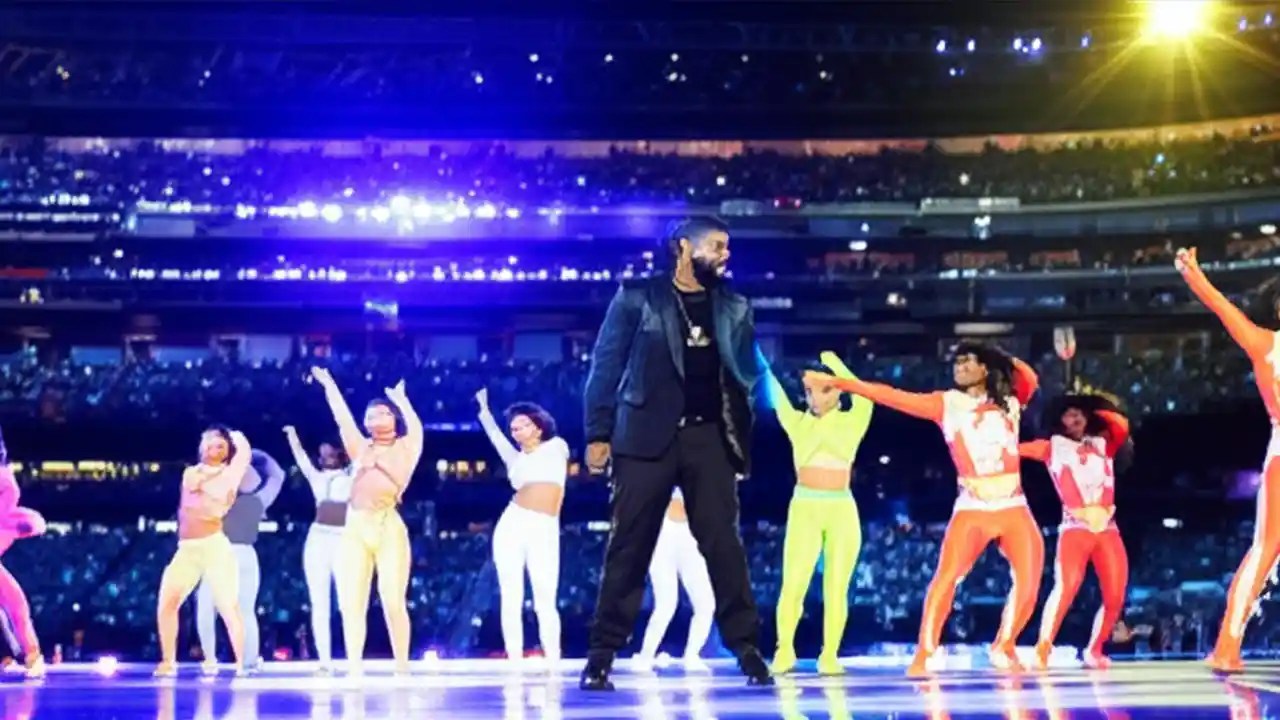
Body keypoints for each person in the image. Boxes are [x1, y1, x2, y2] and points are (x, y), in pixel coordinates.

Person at [580, 216, 772, 690]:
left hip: (708, 439)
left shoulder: (734, 306)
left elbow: (746, 378)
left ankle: (747, 650)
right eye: (718, 246)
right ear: (685, 247)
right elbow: (606, 364)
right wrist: (598, 432)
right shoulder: (637, 297)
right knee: (629, 547)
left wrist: (738, 441)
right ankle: (601, 655)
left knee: (724, 547)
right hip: (643, 436)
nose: (727, 255)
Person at [805, 342, 1041, 676]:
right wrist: (843, 384)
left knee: (1029, 583)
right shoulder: (946, 403)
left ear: (984, 369)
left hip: (1014, 507)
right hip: (973, 508)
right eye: (956, 362)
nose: (958, 367)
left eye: (966, 361)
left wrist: (999, 356)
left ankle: (1004, 646)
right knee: (945, 581)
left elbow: (1029, 377)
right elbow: (888, 395)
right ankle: (925, 652)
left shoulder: (1011, 403)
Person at [1175, 246, 1280, 673]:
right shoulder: (1266, 344)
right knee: (1265, 550)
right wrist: (1195, 277)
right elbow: (1223, 310)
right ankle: (1225, 648)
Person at [765, 351, 873, 675]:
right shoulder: (798, 422)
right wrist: (751, 353)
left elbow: (864, 394)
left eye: (821, 389)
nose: (812, 396)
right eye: (808, 390)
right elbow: (770, 386)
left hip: (841, 508)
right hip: (805, 507)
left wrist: (836, 367)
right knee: (793, 584)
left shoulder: (854, 420)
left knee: (836, 587)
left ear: (837, 390)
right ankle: (785, 650)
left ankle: (830, 655)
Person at [311, 367, 422, 676]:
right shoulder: (359, 448)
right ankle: (354, 667)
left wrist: (401, 400)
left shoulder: (407, 446)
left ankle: (402, 666)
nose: (375, 418)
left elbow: (416, 427)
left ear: (395, 419)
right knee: (351, 601)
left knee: (392, 598)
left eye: (384, 413)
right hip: (354, 527)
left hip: (388, 525)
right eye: (371, 415)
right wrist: (330, 385)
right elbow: (341, 416)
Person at [1019, 391, 1131, 670]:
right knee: (1066, 588)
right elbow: (1014, 450)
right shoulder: (1051, 447)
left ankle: (1094, 650)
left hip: (1108, 530)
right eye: (1069, 413)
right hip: (1074, 530)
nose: (1076, 417)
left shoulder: (1103, 444)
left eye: (1080, 413)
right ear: (1059, 421)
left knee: (1115, 596)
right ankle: (1043, 648)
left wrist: (1094, 403)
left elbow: (1121, 425)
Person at [474, 388, 568, 669]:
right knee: (511, 595)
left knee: (544, 597)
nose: (517, 431)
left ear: (538, 427)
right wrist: (484, 412)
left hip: (545, 527)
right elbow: (495, 438)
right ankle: (514, 658)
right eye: (513, 428)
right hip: (513, 524)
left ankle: (553, 658)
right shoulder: (515, 460)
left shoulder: (556, 446)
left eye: (523, 425)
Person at [154, 426, 251, 677]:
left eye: (221, 445)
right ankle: (168, 660)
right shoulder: (191, 473)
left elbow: (243, 454)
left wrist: (234, 435)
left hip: (214, 546)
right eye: (210, 443)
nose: (214, 448)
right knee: (167, 601)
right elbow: (197, 484)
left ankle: (241, 663)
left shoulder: (229, 475)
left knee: (228, 606)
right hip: (187, 548)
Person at [195, 449, 285, 675]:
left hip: (223, 554)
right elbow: (277, 475)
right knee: (243, 611)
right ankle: (247, 662)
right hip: (239, 555)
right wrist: (258, 455)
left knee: (209, 609)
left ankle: (214, 660)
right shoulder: (256, 500)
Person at [283, 427, 354, 674]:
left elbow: (362, 455)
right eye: (321, 455)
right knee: (319, 603)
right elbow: (301, 458)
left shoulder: (352, 475)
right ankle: (324, 661)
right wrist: (293, 436)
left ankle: (353, 658)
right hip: (318, 540)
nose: (324, 458)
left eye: (329, 454)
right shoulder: (316, 477)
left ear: (339, 453)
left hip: (343, 540)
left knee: (347, 603)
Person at [633, 487, 715, 673]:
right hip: (663, 532)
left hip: (692, 534)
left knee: (706, 604)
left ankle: (692, 655)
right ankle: (646, 655)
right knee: (666, 604)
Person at [0, 427, 47, 679]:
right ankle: (29, 655)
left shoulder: (10, 519)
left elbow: (37, 524)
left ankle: (31, 655)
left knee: (16, 605)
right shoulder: (11, 517)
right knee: (15, 605)